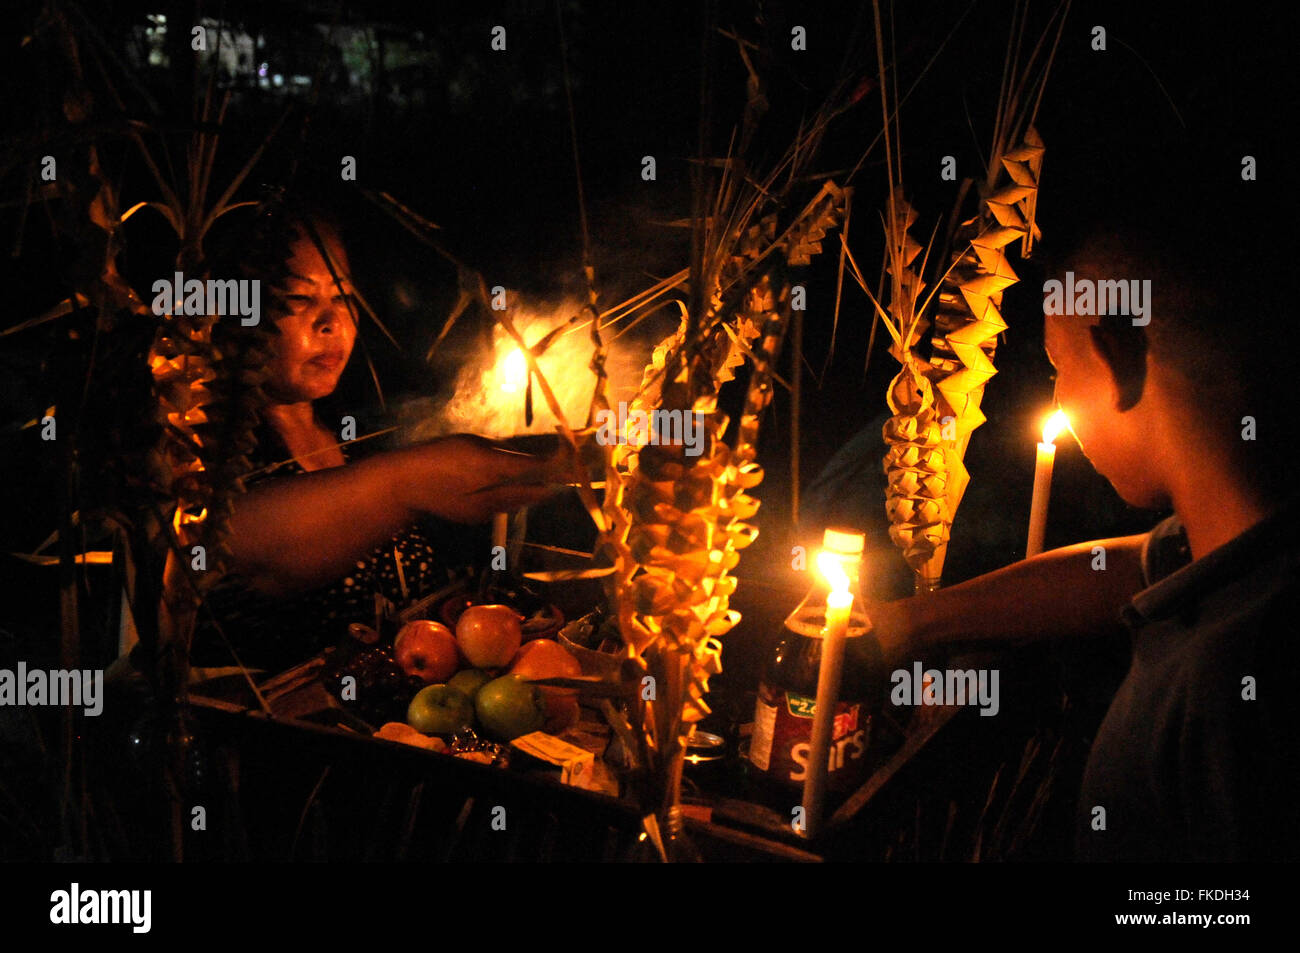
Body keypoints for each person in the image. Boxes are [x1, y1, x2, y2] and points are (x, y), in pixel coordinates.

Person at [862, 175, 1298, 862]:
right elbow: (1122, 569)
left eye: (1059, 364)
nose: (1060, 395)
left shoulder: (1231, 691)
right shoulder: (1232, 546)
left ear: (1116, 356)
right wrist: (911, 622)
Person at [186, 204, 573, 672]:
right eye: (298, 300)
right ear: (233, 311)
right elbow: (239, 547)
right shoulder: (203, 454)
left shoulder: (357, 432)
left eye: (344, 298)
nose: (332, 323)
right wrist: (407, 482)